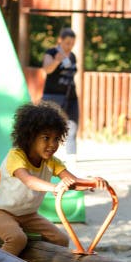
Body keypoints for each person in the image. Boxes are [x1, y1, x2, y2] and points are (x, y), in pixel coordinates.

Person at [0, 101, 108, 262]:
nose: (52, 144)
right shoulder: (17, 155)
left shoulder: (52, 162)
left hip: (27, 215)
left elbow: (72, 181)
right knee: (16, 238)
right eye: (46, 138)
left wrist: (92, 182)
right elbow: (28, 180)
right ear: (30, 136)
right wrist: (54, 188)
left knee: (60, 240)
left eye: (57, 139)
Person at [41, 27, 79, 166]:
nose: (70, 46)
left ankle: (71, 160)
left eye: (72, 43)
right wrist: (57, 61)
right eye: (67, 43)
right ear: (60, 40)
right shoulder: (51, 53)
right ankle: (41, 155)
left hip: (70, 96)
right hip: (52, 96)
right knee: (46, 127)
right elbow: (47, 69)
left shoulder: (73, 56)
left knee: (72, 126)